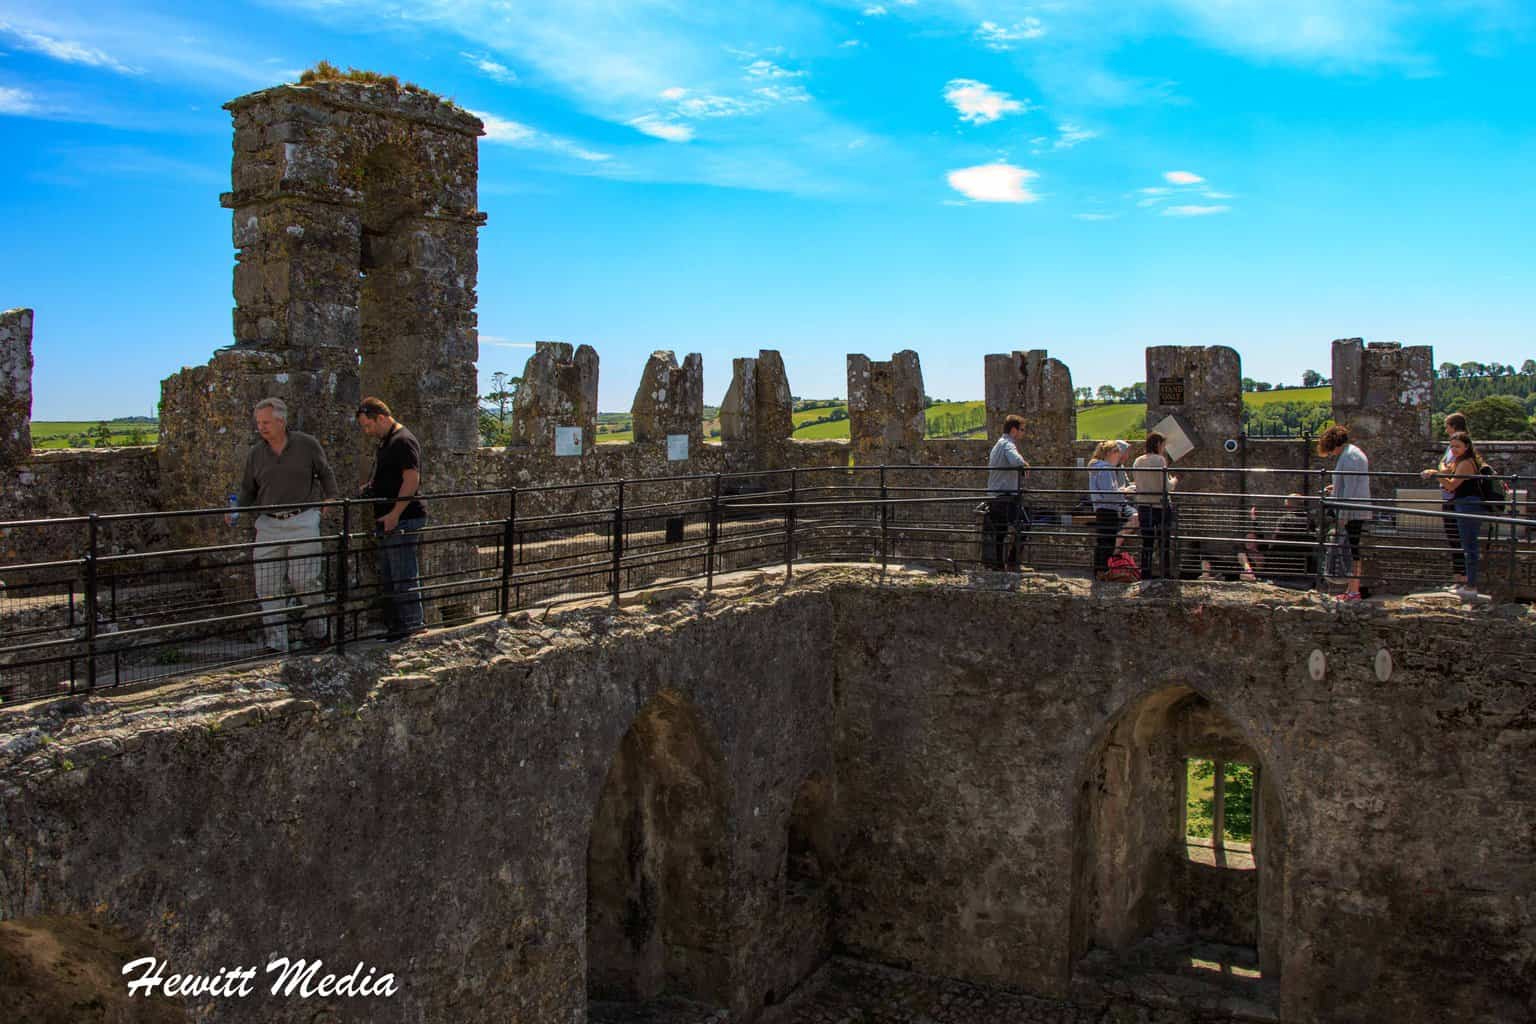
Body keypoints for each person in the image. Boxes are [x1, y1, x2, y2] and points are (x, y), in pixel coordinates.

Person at [232, 397, 339, 652]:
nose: (262, 427)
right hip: (269, 523)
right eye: (259, 423)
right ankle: (277, 644)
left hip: (302, 519)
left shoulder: (306, 445)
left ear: (281, 421)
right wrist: (235, 509)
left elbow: (325, 473)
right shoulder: (256, 453)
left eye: (266, 422)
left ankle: (320, 633)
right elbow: (248, 489)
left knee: (305, 580)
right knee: (267, 585)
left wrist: (331, 498)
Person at [356, 397, 426, 639]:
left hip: (403, 518)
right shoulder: (387, 441)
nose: (367, 431)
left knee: (402, 574)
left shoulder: (403, 441)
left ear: (382, 418)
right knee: (389, 575)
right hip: (389, 517)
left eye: (369, 425)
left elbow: (411, 480)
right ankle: (397, 626)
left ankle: (412, 624)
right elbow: (390, 476)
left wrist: (395, 513)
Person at [1431, 431, 1487, 598]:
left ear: (1467, 447)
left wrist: (1436, 475)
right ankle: (1469, 584)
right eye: (1452, 446)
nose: (1454, 449)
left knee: (1469, 547)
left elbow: (1451, 486)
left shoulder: (1466, 463)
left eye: (1458, 446)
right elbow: (1446, 470)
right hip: (1465, 504)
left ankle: (1471, 586)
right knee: (1467, 545)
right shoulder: (1460, 461)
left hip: (1468, 505)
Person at [1318, 425, 1370, 601]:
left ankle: (1354, 591)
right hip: (1354, 510)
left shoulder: (1349, 458)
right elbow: (1350, 485)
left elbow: (1350, 492)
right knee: (1351, 550)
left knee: (1352, 551)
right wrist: (1336, 488)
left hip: (1352, 513)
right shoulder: (1351, 454)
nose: (1330, 454)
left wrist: (1342, 518)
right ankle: (1351, 589)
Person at [1421, 412, 1469, 583]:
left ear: (1454, 427)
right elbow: (1444, 465)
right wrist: (1443, 469)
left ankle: (1463, 578)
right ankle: (1459, 578)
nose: (1445, 428)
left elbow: (1447, 469)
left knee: (1458, 540)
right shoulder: (1453, 447)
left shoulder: (1461, 450)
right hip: (1449, 498)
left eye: (1447, 425)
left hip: (1455, 498)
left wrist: (1439, 472)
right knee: (1454, 540)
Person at [984, 414, 1029, 569]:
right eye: (1022, 430)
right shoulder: (1007, 444)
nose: (1023, 433)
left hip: (995, 495)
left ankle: (998, 565)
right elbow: (1016, 461)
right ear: (1014, 430)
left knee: (1001, 532)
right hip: (1005, 496)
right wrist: (1024, 465)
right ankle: (1011, 562)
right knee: (1025, 525)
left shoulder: (998, 444)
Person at [1130, 432, 1178, 577]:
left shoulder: (1137, 461)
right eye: (1163, 445)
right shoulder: (1159, 460)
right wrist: (1175, 480)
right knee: (1164, 543)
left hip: (1144, 506)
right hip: (1160, 506)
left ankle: (1145, 574)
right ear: (1158, 444)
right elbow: (1167, 487)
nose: (1164, 448)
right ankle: (1166, 574)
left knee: (1147, 543)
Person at [1088, 439, 1136, 579]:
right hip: (1108, 507)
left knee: (1103, 540)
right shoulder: (1105, 468)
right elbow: (1110, 493)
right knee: (1107, 541)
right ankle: (1102, 570)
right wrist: (1125, 491)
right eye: (1116, 451)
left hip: (1102, 507)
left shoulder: (1098, 467)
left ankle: (1100, 571)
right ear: (1109, 453)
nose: (1119, 454)